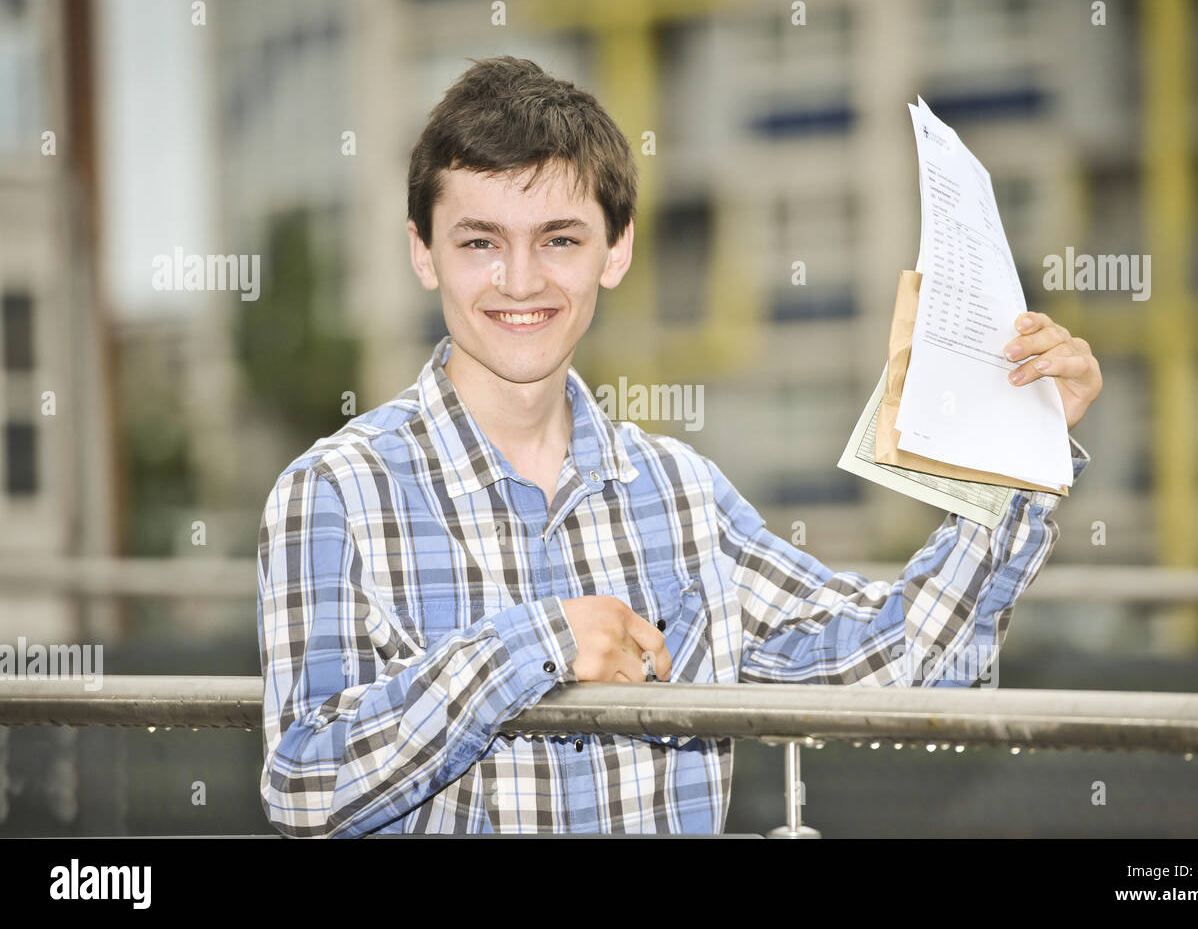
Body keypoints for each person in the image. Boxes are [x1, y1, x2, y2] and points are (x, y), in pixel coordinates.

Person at [255, 56, 1102, 837]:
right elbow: (304, 783)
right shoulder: (331, 491)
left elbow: (894, 661)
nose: (520, 280)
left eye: (559, 239)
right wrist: (535, 645)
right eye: (479, 241)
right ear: (422, 252)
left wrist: (1019, 450)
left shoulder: (680, 490)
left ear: (614, 251)